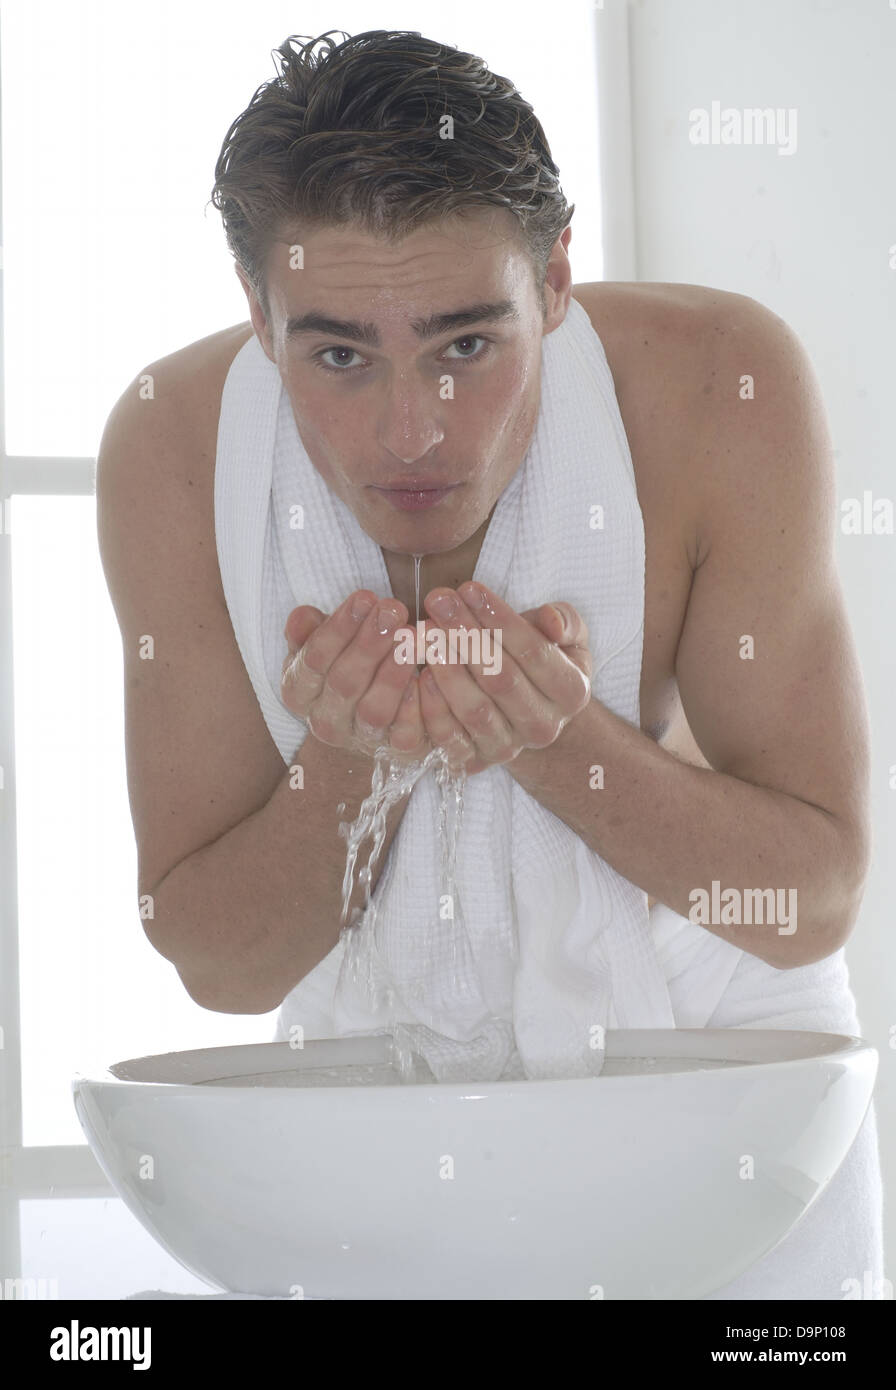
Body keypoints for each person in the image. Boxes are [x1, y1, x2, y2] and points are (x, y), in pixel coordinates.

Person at [96, 29, 882, 1300]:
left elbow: (809, 902)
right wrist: (350, 762)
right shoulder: (173, 450)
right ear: (258, 310)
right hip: (381, 1097)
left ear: (556, 277)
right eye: (338, 354)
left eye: (467, 343)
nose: (411, 432)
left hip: (720, 1083)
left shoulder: (720, 384)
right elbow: (221, 968)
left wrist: (559, 745)